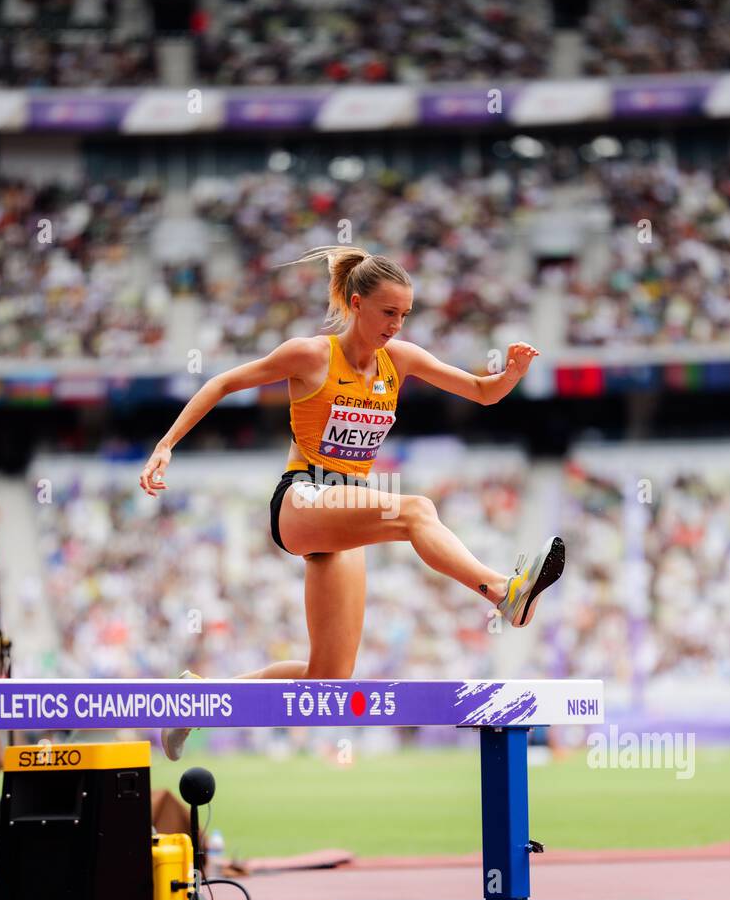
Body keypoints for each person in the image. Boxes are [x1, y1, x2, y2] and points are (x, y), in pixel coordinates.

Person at [139, 245, 565, 760]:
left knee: (328, 683)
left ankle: (198, 700)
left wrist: (512, 373)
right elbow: (224, 382)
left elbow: (482, 391)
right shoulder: (311, 354)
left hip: (345, 511)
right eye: (388, 313)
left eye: (405, 315)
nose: (397, 326)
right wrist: (165, 446)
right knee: (416, 510)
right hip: (301, 498)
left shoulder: (399, 361)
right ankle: (503, 591)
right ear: (357, 304)